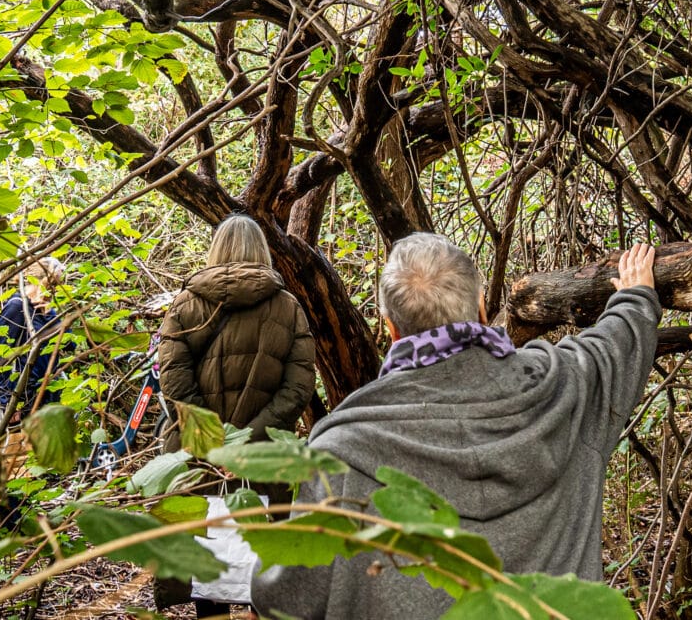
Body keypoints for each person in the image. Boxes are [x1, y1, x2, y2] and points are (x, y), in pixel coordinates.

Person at [251, 233, 660, 620]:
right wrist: (635, 297)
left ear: (391, 329)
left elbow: (286, 597)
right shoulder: (562, 390)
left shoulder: (339, 452)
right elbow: (613, 346)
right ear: (481, 309)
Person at [157, 214, 316, 620]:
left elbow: (173, 384)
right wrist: (246, 443)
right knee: (262, 564)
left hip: (196, 454)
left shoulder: (186, 304)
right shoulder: (288, 308)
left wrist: (214, 442)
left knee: (203, 566)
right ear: (262, 250)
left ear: (216, 250)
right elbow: (298, 388)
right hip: (263, 458)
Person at [0, 256, 69, 419]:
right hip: (23, 399)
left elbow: (69, 345)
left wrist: (50, 315)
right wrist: (9, 404)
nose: (54, 291)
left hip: (47, 396)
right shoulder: (17, 307)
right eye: (52, 285)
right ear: (39, 281)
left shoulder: (45, 311)